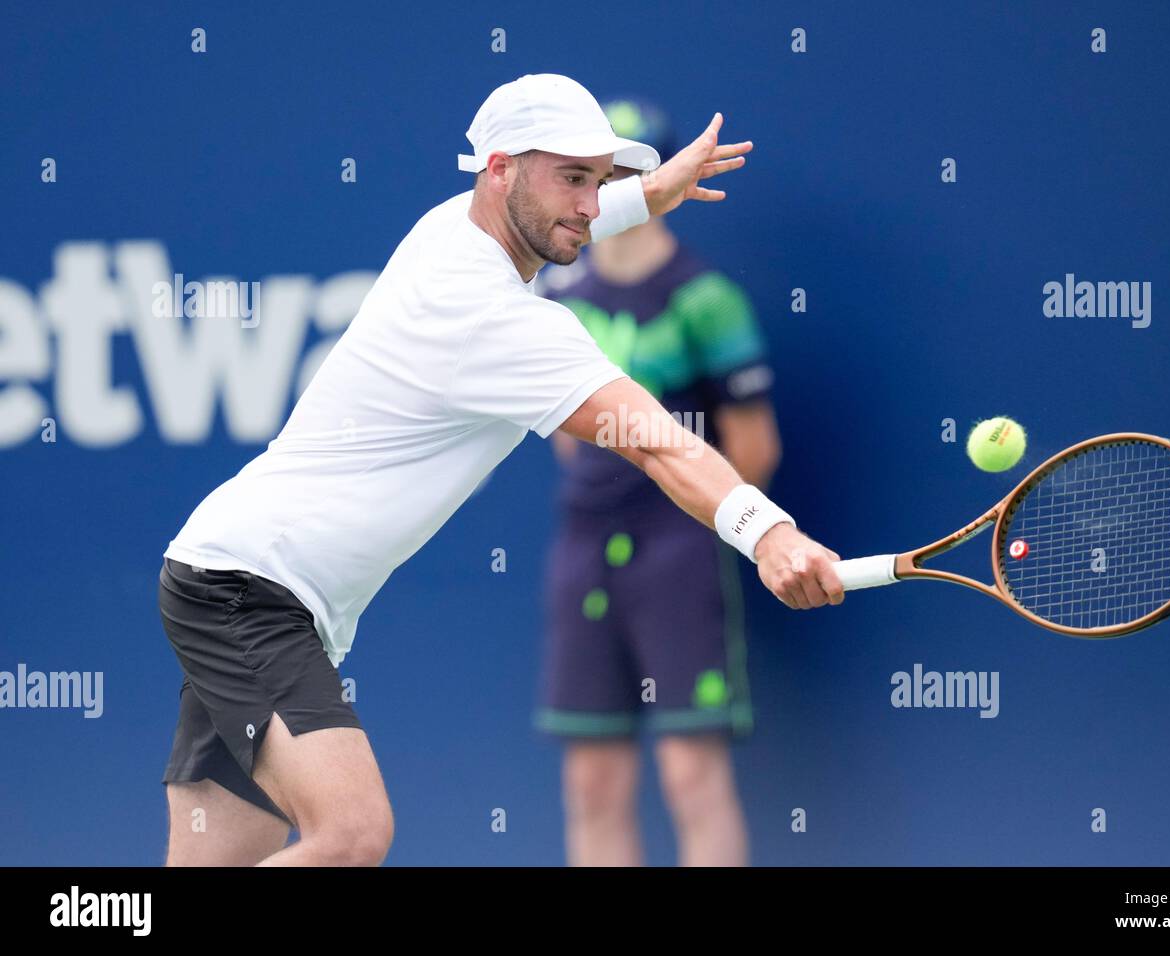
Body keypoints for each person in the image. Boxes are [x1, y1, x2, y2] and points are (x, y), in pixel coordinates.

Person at [157, 73, 844, 867]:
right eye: (573, 177)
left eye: (600, 180)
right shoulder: (500, 322)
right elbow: (658, 440)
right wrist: (768, 534)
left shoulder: (451, 229)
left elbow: (553, 221)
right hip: (249, 590)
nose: (592, 204)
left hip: (233, 575)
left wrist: (651, 192)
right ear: (500, 169)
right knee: (350, 836)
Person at [535, 98, 780, 866]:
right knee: (593, 782)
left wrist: (695, 516)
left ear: (660, 177)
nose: (599, 190)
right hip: (582, 547)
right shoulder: (553, 292)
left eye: (620, 171)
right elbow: (566, 433)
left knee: (689, 775)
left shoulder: (706, 299)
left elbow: (753, 447)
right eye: (586, 173)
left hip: (678, 551)